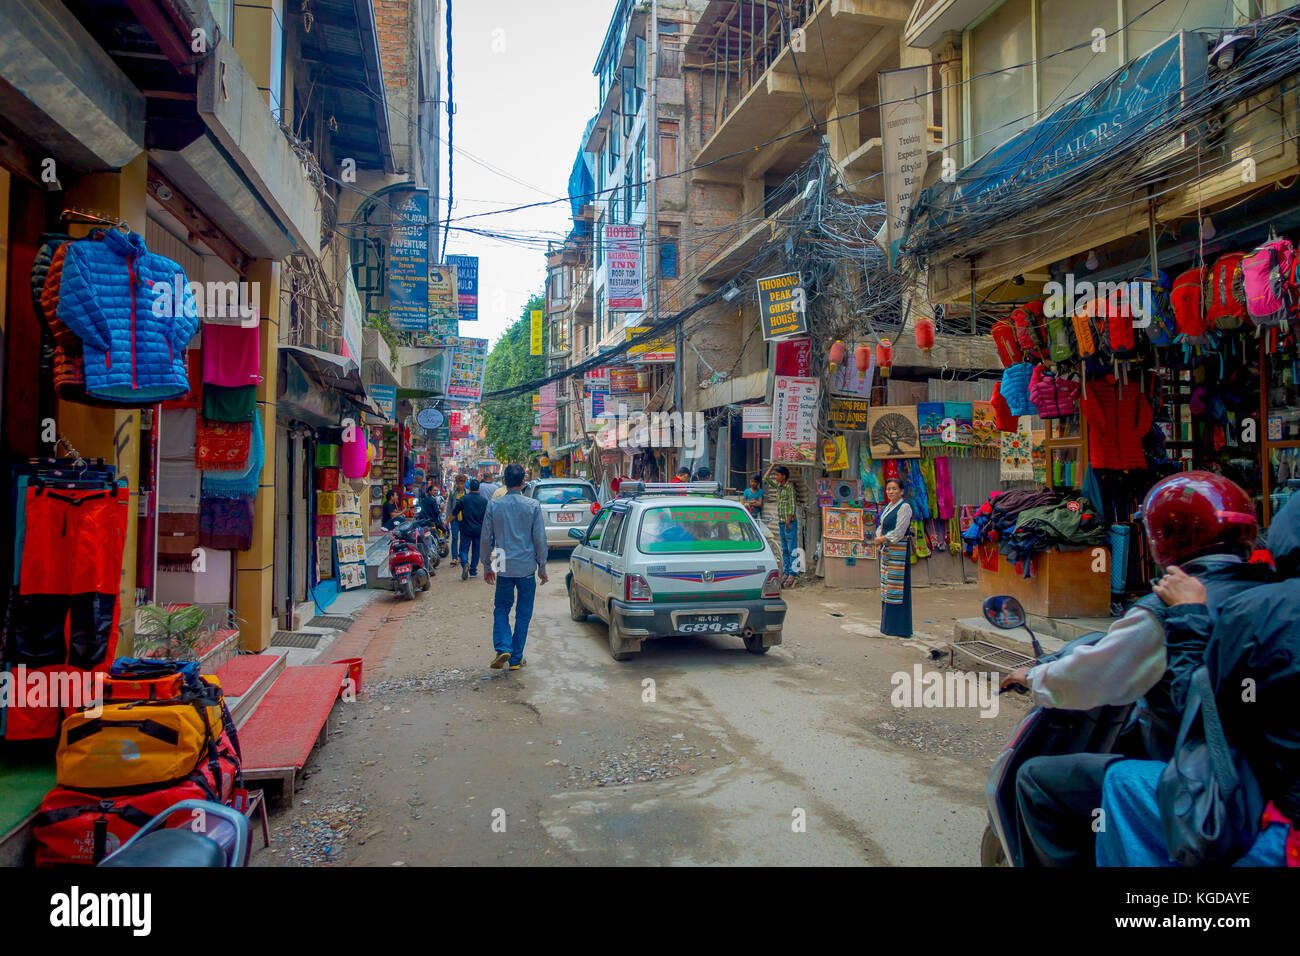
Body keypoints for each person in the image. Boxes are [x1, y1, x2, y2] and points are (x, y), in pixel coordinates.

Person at [1002, 472, 1270, 867]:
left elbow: (1091, 679)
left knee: (1037, 779)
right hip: (1260, 770)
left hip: (1196, 774)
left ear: (1164, 536)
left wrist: (1032, 677)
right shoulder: (1271, 591)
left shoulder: (1168, 605)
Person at [1095, 492, 1300, 867]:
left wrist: (1189, 618)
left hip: (1283, 827)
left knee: (1123, 781)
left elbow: (1201, 705)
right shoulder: (1259, 594)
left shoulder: (1263, 608)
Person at [481, 463, 548, 670]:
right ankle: (516, 658)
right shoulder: (533, 505)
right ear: (523, 482)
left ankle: (503, 647)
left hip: (501, 562)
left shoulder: (494, 505)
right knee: (523, 613)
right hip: (526, 564)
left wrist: (486, 565)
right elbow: (539, 539)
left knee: (501, 607)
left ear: (503, 481)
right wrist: (542, 567)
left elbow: (486, 538)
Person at [873, 478, 913, 637]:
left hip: (899, 551)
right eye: (889, 489)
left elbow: (899, 531)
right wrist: (878, 538)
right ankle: (887, 626)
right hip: (888, 551)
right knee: (887, 587)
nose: (891, 491)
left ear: (901, 491)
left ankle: (899, 628)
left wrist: (882, 539)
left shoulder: (905, 507)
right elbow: (881, 526)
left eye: (894, 489)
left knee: (897, 588)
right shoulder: (889, 507)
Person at [763, 463, 798, 588]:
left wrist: (788, 520)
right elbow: (765, 479)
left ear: (783, 476)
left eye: (777, 475)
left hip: (789, 523)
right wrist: (772, 466)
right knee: (784, 549)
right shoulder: (779, 487)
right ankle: (787, 572)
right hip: (782, 522)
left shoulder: (789, 488)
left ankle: (793, 574)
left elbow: (792, 505)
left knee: (792, 548)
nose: (775, 477)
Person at [453, 478, 487, 580]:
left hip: (466, 529)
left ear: (470, 487)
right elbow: (487, 516)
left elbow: (454, 513)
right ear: (479, 488)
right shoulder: (484, 500)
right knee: (476, 551)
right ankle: (473, 570)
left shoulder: (463, 499)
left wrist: (446, 521)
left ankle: (464, 563)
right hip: (478, 530)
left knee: (463, 549)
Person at [446, 474, 467, 567]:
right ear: (457, 483)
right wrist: (448, 519)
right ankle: (454, 558)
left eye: (462, 483)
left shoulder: (467, 493)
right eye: (459, 483)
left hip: (464, 520)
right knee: (454, 538)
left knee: (463, 539)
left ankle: (460, 556)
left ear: (465, 483)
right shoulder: (452, 493)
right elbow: (449, 507)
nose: (460, 485)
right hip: (454, 519)